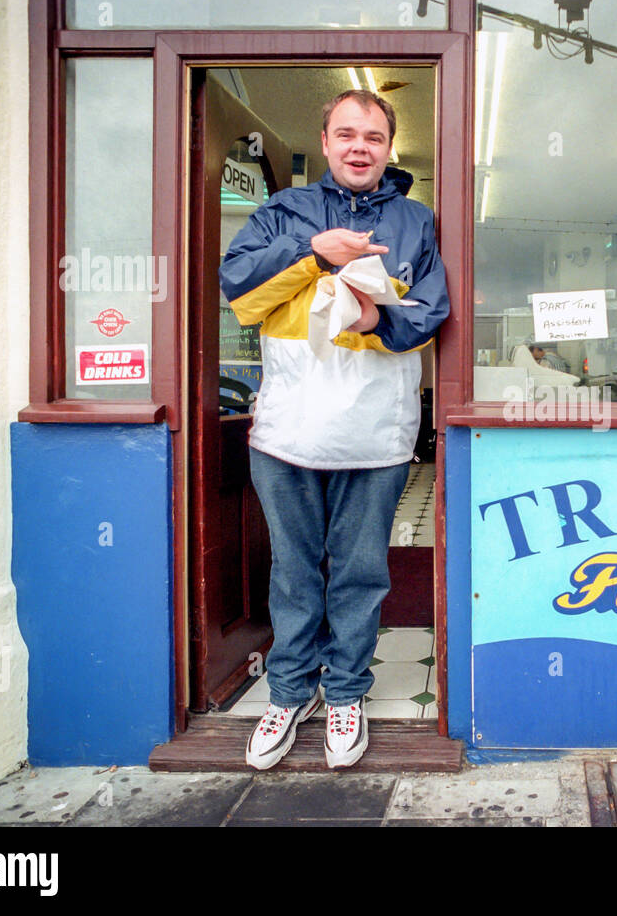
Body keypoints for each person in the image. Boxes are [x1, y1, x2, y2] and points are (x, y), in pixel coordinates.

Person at [218, 89, 449, 770]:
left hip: (377, 434)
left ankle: (346, 691)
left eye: (373, 138)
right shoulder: (283, 211)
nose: (359, 147)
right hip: (287, 433)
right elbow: (239, 289)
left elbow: (432, 310)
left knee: (358, 572)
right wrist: (315, 252)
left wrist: (378, 320)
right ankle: (289, 694)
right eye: (346, 134)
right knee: (293, 573)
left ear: (388, 148)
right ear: (324, 142)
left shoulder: (416, 222)